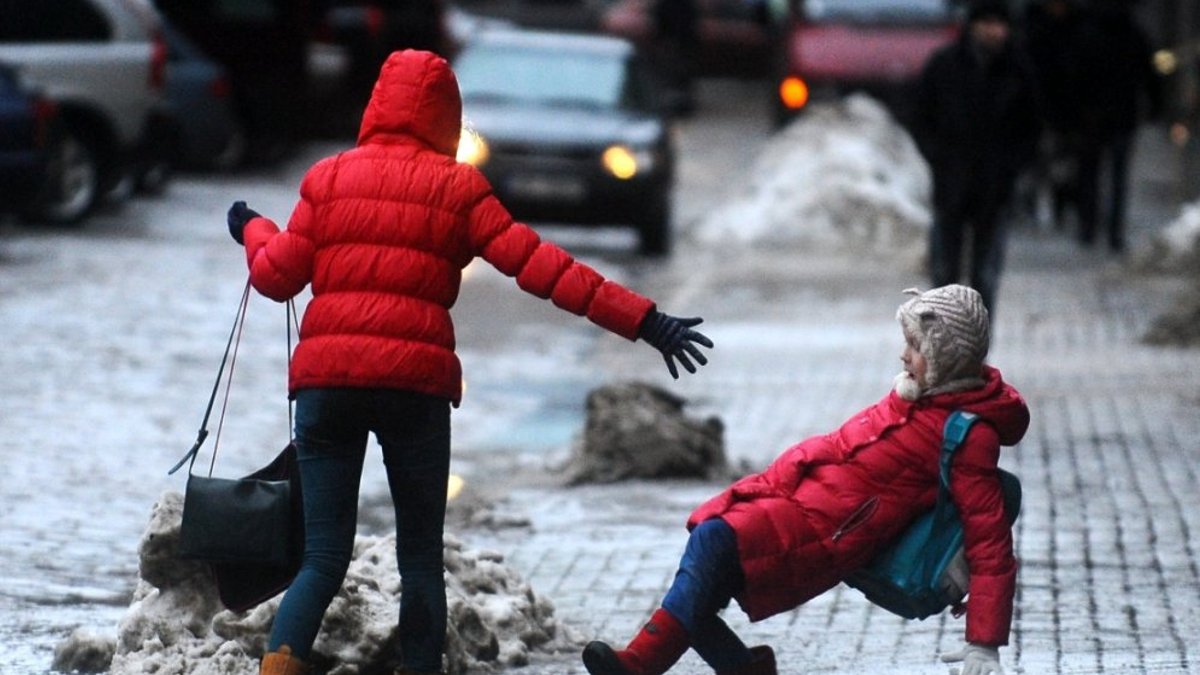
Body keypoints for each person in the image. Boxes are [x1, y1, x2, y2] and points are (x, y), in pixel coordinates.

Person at [225, 49, 714, 675]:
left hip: (327, 387)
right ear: (445, 117)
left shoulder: (329, 177)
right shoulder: (458, 188)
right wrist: (647, 321)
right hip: (414, 392)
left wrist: (255, 230)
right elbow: (546, 269)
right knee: (420, 557)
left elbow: (275, 278)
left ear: (377, 104)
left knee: (322, 558)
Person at [582, 284, 1030, 675]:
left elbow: (988, 538)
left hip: (824, 531)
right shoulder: (919, 397)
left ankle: (641, 664)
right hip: (798, 499)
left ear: (944, 358)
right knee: (705, 571)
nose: (902, 355)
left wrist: (984, 641)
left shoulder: (967, 433)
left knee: (712, 545)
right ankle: (742, 669)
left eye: (914, 347)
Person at [911, 0, 1041, 316]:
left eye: (1000, 25)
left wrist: (1012, 166)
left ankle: (976, 350)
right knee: (944, 279)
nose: (995, 32)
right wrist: (938, 157)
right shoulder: (945, 66)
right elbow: (920, 116)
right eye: (988, 24)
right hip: (952, 182)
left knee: (985, 278)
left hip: (995, 188)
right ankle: (944, 348)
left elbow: (1032, 126)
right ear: (973, 26)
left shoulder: (1018, 71)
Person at [1064, 0, 1163, 252]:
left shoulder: (1087, 32)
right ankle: (1112, 232)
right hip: (1120, 115)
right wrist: (1154, 107)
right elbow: (1150, 75)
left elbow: (1073, 76)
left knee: (1091, 174)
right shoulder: (1132, 33)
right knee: (1115, 177)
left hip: (1093, 117)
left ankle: (1089, 227)